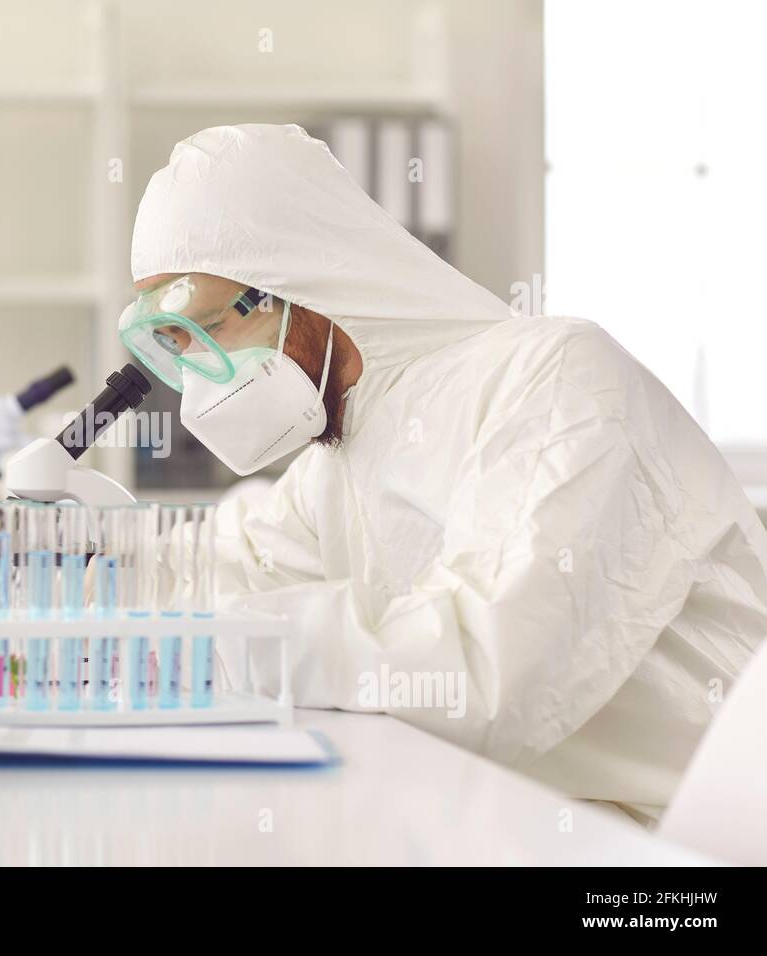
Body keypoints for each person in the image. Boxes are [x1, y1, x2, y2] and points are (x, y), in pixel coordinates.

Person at [120, 123, 767, 824]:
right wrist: (78, 557)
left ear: (290, 285)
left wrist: (228, 643)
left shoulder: (555, 378)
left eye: (210, 330)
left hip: (683, 840)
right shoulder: (346, 449)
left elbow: (483, 672)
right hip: (534, 814)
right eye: (180, 348)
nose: (200, 379)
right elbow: (227, 571)